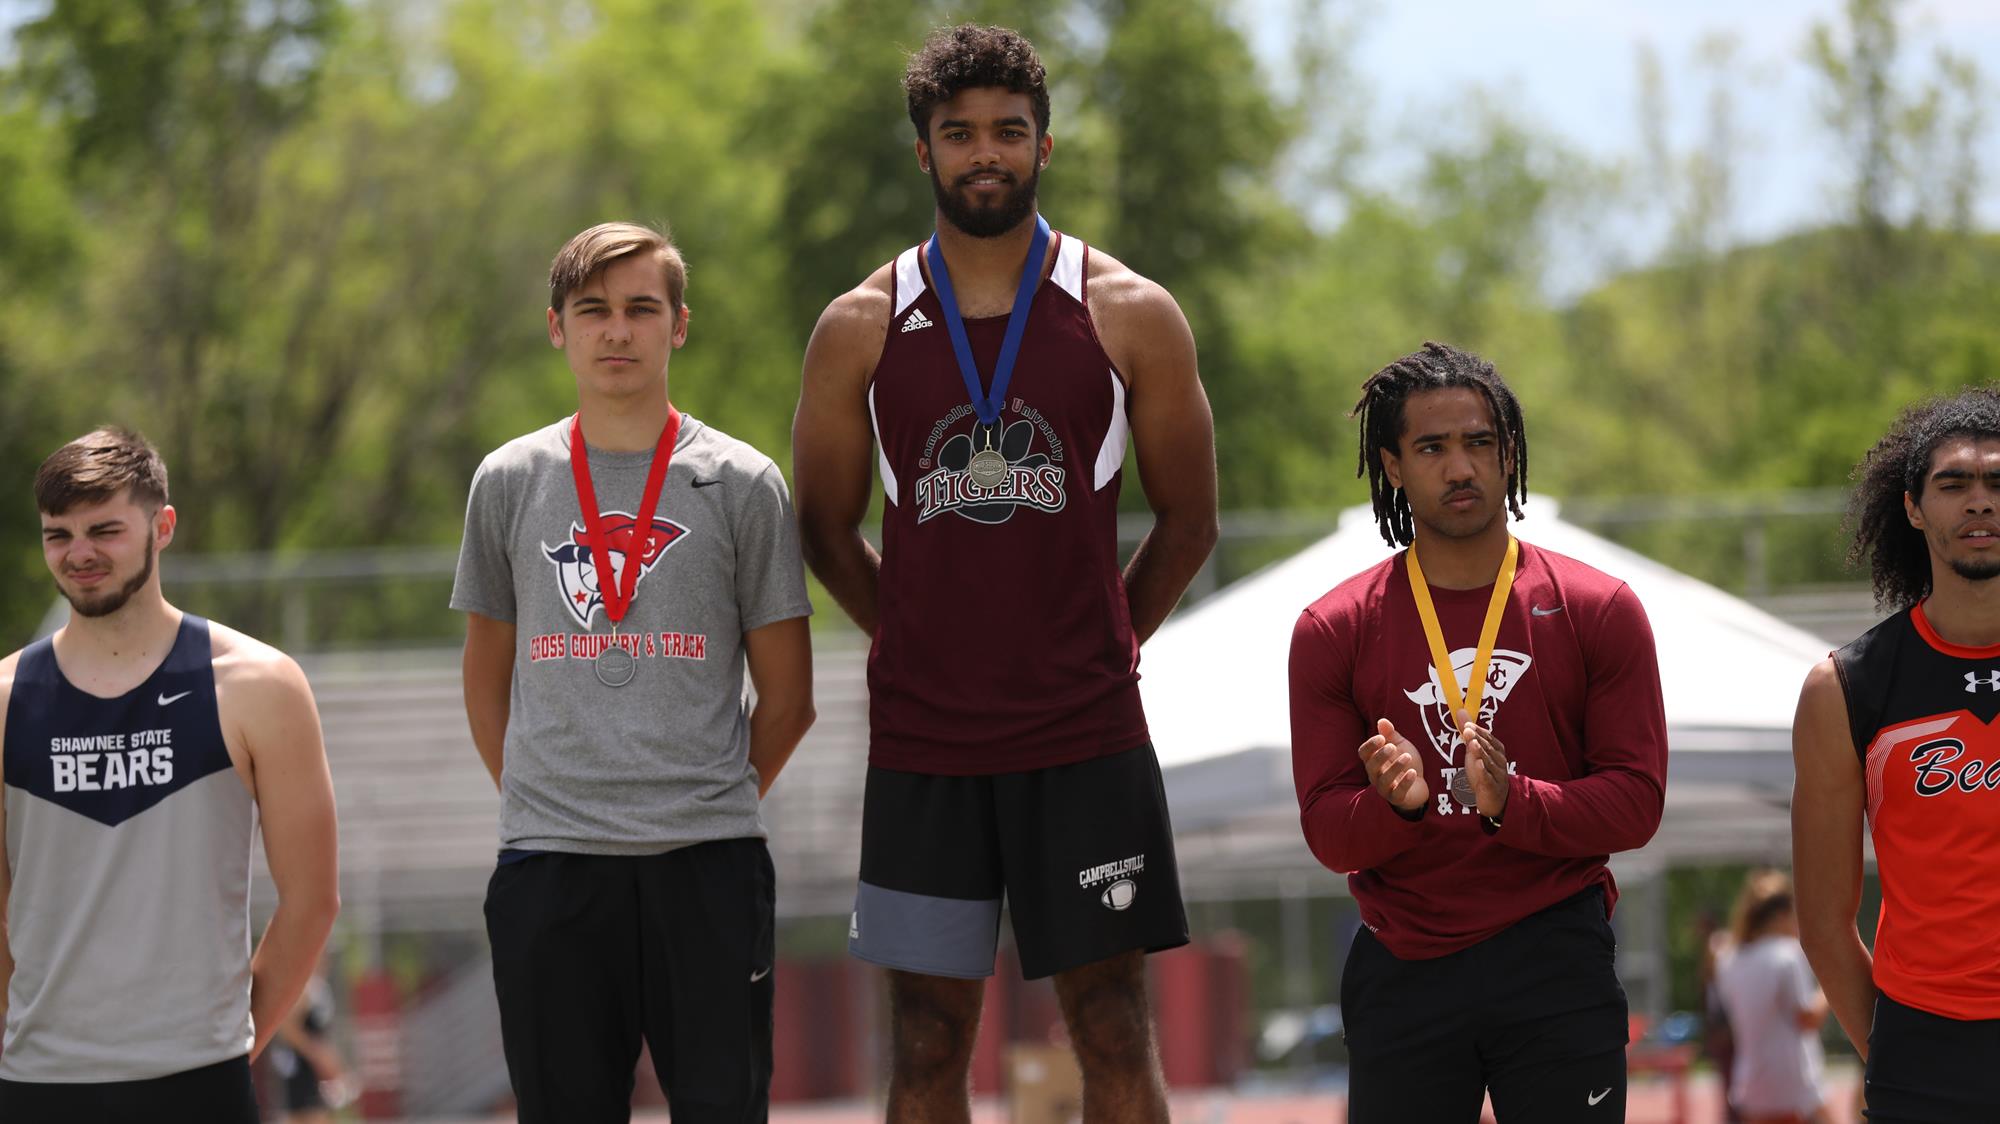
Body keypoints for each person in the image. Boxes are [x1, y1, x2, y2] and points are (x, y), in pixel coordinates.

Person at [792, 23, 1218, 1123]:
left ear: (1043, 143)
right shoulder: (858, 326)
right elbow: (824, 525)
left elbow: (1189, 518)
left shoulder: (1129, 312)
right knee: (926, 1045)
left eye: (1008, 132)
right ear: (921, 151)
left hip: (1085, 740)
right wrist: (911, 637)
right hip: (927, 749)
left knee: (1114, 1026)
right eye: (959, 133)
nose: (986, 152)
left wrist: (1101, 641)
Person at [453, 221, 815, 1123]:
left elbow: (792, 697)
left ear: (678, 326)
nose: (617, 331)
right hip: (552, 867)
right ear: (557, 327)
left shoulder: (744, 483)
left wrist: (703, 799)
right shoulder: (508, 479)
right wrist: (549, 800)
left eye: (640, 309)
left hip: (709, 865)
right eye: (594, 311)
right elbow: (484, 675)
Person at [1287, 343, 1668, 1123]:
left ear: (1510, 454)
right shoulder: (1333, 628)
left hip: (1555, 954)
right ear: (1392, 466)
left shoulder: (1600, 608)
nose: (1460, 467)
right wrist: (1392, 808)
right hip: (1403, 964)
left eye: (1480, 443)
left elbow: (1637, 802)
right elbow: (1328, 830)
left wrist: (1514, 802)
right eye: (1432, 447)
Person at [0, 428, 341, 1122]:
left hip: (199, 1079)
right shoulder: (6, 700)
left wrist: (226, 1043)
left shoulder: (258, 685)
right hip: (39, 1082)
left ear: (164, 527)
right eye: (57, 536)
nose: (80, 553)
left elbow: (311, 901)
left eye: (104, 530)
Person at [1793, 386, 2000, 1123]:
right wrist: (1891, 1048)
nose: (1980, 502)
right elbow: (1822, 918)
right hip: (1924, 1052)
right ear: (1913, 507)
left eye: (1998, 483)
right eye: (1954, 484)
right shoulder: (1846, 687)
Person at [1713, 871, 1829, 1124]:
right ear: (1780, 915)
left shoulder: (1729, 959)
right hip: (1793, 1083)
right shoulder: (1786, 954)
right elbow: (1807, 1018)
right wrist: (1828, 989)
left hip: (1750, 1082)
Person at [267, 971, 350, 1123]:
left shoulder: (319, 986)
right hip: (301, 1071)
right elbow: (287, 1030)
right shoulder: (303, 988)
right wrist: (317, 1056)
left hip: (312, 1074)